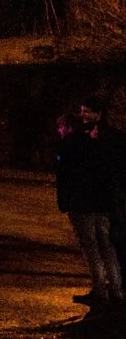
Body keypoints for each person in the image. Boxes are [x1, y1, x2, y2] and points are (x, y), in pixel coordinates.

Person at [55, 102, 123, 308]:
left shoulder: (71, 145)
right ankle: (116, 289)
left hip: (83, 202)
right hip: (102, 202)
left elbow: (65, 175)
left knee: (91, 245)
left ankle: (100, 288)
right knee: (106, 244)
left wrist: (65, 201)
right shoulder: (96, 142)